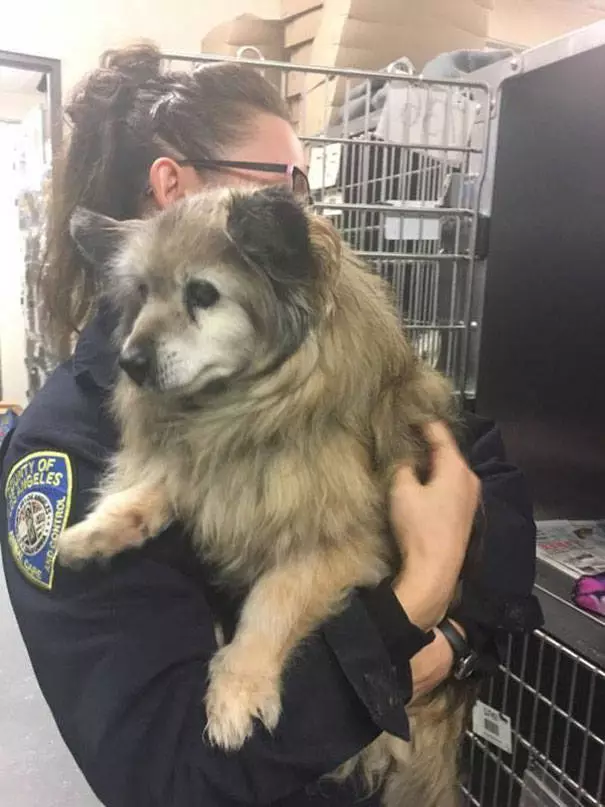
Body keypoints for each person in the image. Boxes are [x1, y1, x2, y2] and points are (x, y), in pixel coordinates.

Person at [0, 44, 542, 807]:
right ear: (171, 185)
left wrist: (454, 633)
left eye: (306, 188)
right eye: (285, 184)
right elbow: (169, 776)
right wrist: (413, 611)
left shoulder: (319, 348)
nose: (305, 214)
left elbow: (488, 473)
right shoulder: (68, 448)